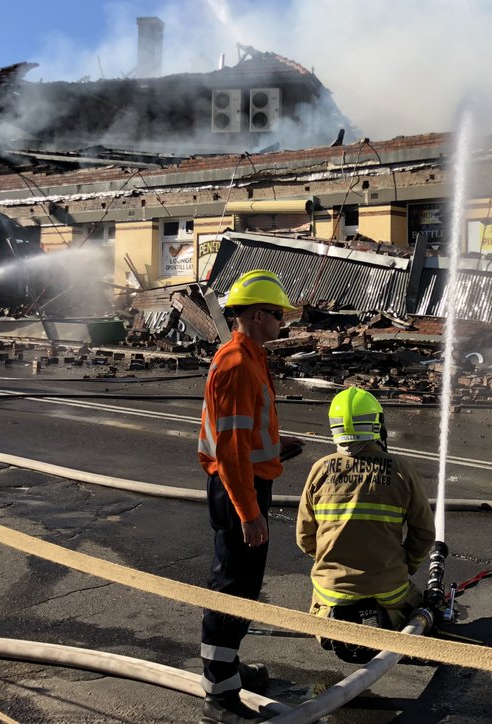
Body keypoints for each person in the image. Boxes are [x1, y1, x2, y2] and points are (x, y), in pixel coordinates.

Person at [198, 269, 302, 724]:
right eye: (278, 315)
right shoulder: (238, 364)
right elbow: (232, 449)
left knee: (243, 586)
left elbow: (246, 434)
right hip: (238, 488)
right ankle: (220, 694)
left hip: (247, 481)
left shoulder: (252, 355)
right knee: (233, 589)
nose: (284, 322)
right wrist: (250, 513)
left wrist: (276, 449)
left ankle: (228, 667)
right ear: (258, 315)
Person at [296, 387, 435, 662]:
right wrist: (407, 565)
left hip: (331, 595)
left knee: (324, 605)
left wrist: (330, 558)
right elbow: (425, 532)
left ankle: (329, 626)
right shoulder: (400, 469)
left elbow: (304, 537)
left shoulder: (320, 469)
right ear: (376, 425)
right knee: (422, 607)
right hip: (389, 593)